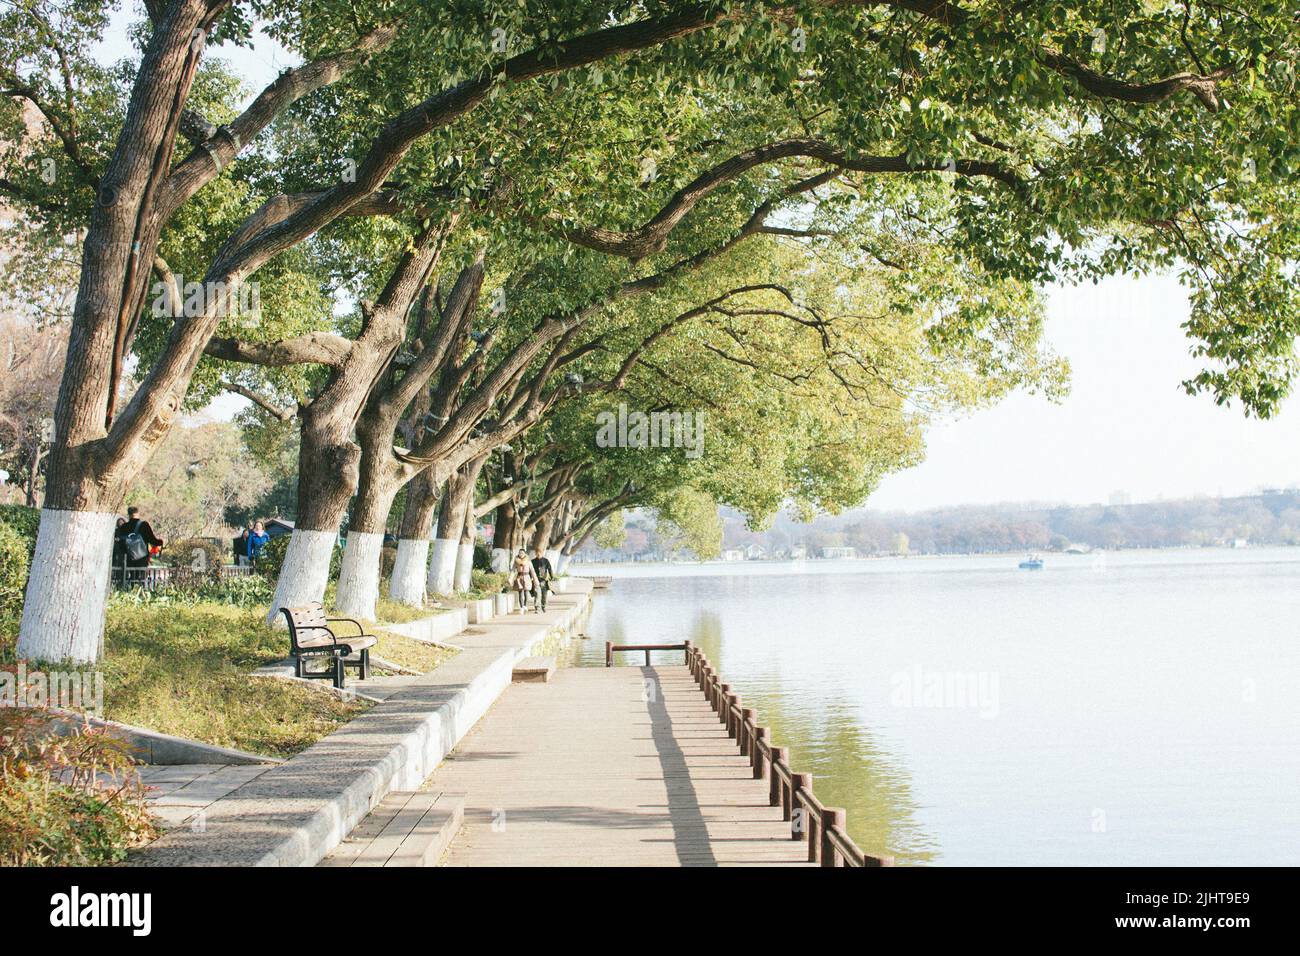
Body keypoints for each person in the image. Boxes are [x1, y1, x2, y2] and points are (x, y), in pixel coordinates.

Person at [115, 506, 164, 580]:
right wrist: (160, 542)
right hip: (142, 557)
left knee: (132, 577)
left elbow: (121, 543)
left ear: (129, 514)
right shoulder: (144, 525)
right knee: (141, 578)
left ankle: (131, 589)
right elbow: (152, 540)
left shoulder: (124, 527)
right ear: (138, 513)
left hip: (129, 557)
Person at [531, 547, 555, 613]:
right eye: (537, 553)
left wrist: (551, 576)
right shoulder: (532, 561)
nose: (538, 554)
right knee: (537, 595)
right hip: (536, 581)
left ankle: (543, 607)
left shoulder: (546, 561)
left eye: (539, 552)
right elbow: (530, 571)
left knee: (544, 595)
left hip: (544, 581)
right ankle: (537, 608)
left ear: (542, 553)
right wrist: (530, 578)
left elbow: (550, 569)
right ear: (535, 553)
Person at [511, 549, 534, 614]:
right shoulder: (516, 561)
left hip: (527, 577)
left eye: (522, 553)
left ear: (525, 554)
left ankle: (525, 605)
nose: (521, 554)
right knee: (520, 592)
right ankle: (521, 607)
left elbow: (532, 570)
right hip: (519, 577)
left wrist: (533, 578)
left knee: (526, 592)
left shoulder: (528, 561)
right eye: (520, 553)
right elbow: (513, 570)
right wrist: (510, 578)